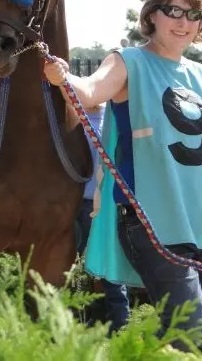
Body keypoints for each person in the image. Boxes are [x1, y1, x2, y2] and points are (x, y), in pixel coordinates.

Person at [44, 0, 202, 356]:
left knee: (194, 342)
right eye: (173, 11)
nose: (183, 21)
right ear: (152, 15)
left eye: (193, 13)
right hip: (151, 221)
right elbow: (88, 92)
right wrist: (62, 76)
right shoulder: (127, 62)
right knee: (194, 335)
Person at [75, 103, 129, 335]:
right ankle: (69, 319)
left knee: (109, 264)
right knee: (66, 265)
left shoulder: (114, 116)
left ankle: (119, 324)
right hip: (76, 203)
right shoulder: (74, 117)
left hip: (106, 204)